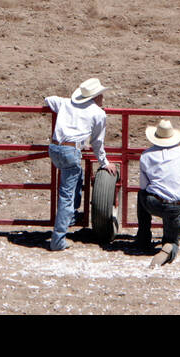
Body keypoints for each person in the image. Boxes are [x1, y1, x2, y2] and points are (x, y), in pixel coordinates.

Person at [43, 78, 115, 252]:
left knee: (76, 175)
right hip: (70, 151)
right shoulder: (98, 113)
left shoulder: (65, 103)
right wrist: (104, 162)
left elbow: (48, 99)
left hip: (55, 149)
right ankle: (58, 239)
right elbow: (97, 143)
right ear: (96, 96)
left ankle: (71, 216)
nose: (103, 98)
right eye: (101, 95)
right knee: (66, 195)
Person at [135, 119, 180, 269]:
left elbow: (143, 186)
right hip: (176, 206)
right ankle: (168, 247)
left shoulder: (146, 155)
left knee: (141, 196)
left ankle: (143, 238)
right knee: (172, 238)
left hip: (153, 202)